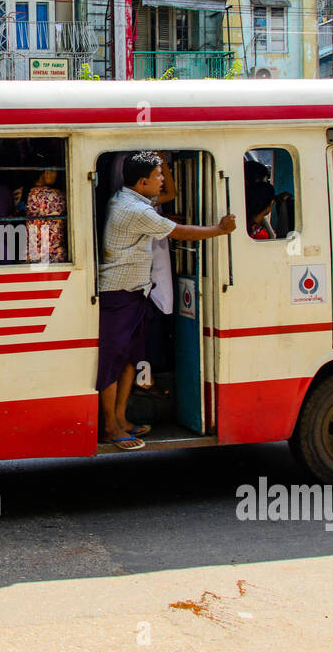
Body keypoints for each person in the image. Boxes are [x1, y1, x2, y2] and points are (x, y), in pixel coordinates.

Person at [97, 151, 235, 450]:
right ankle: (110, 426)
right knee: (112, 363)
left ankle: (121, 419)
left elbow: (169, 196)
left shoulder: (131, 199)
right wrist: (220, 230)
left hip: (134, 291)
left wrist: (162, 160)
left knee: (130, 359)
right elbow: (180, 232)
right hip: (118, 293)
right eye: (158, 175)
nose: (162, 180)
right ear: (143, 181)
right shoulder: (133, 209)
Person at [25, 153, 67, 264]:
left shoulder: (23, 195)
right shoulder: (59, 197)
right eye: (54, 170)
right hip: (54, 258)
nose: (56, 174)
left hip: (29, 258)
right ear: (46, 173)